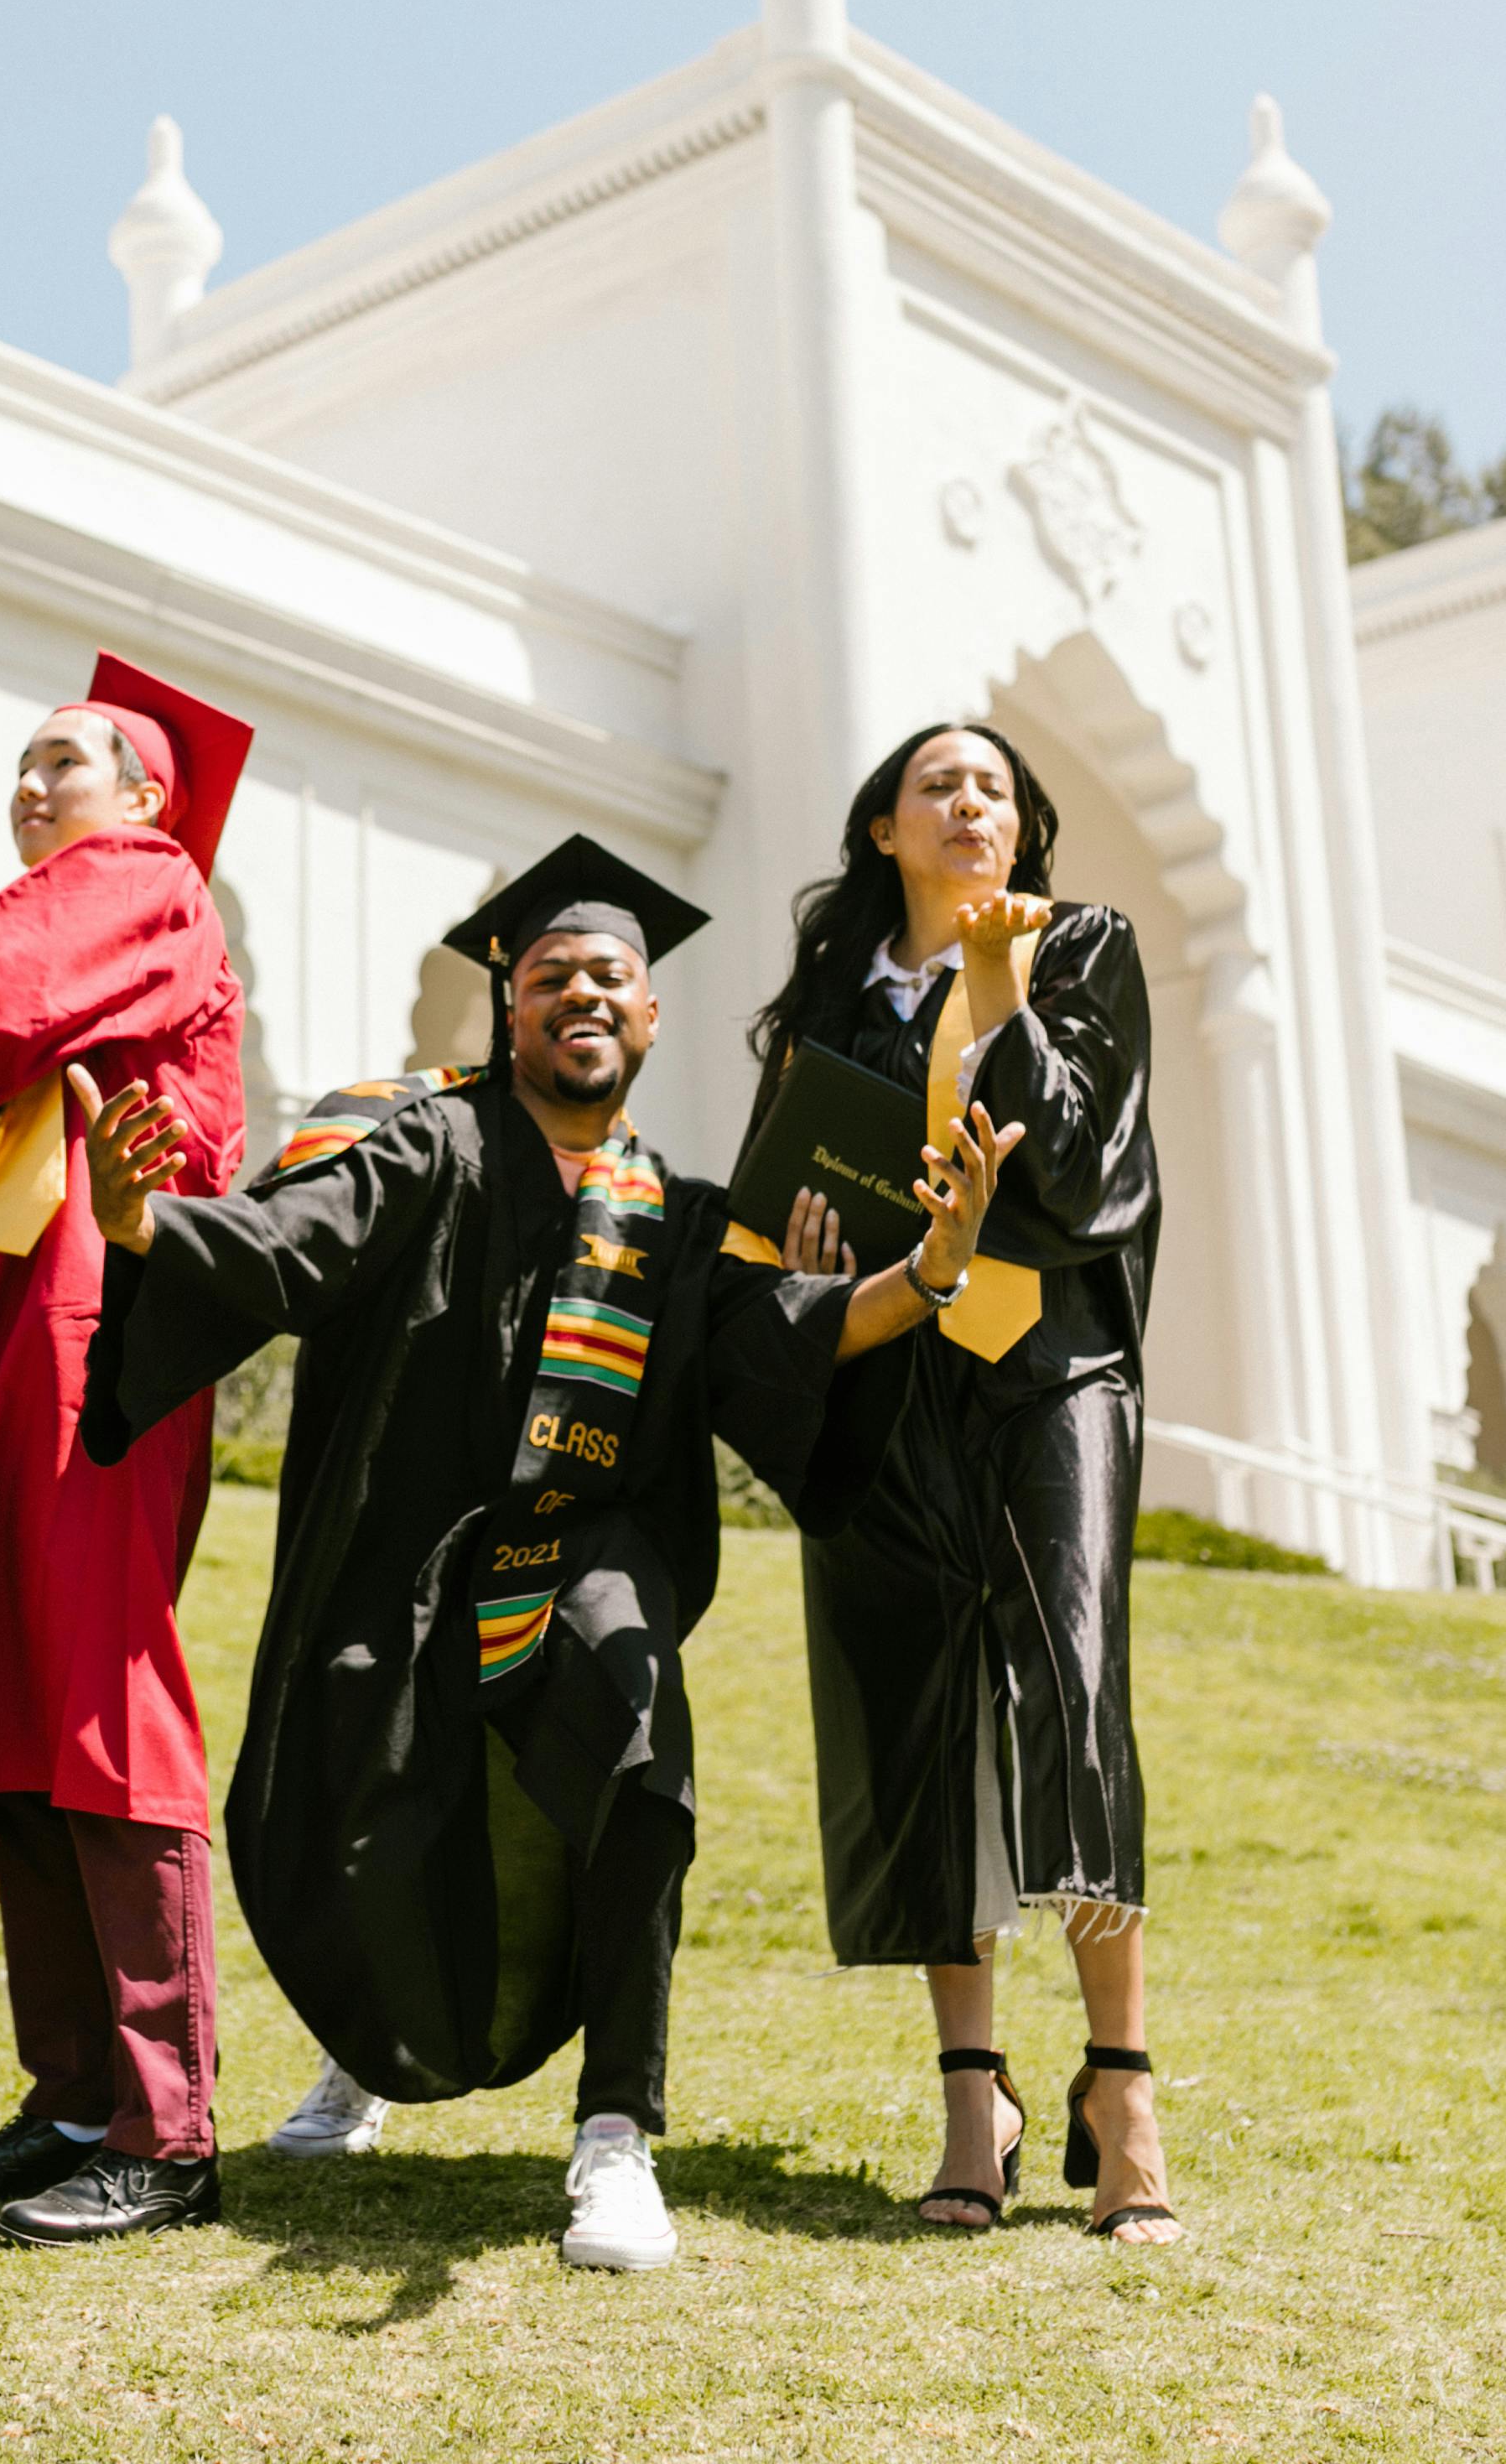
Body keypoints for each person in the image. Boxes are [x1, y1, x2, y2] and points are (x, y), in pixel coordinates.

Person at [75, 837, 1010, 2271]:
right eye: (550, 975)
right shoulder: (422, 1143)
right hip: (405, 1556)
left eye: (609, 978)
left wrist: (929, 1269)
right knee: (361, 1807)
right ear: (507, 1009)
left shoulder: (680, 1219)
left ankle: (617, 2133)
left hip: (585, 1554)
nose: (581, 994)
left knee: (642, 1728)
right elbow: (287, 1244)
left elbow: (785, 1341)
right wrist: (145, 1225)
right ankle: (370, 2058)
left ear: (650, 1017)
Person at [743, 720, 1181, 2243]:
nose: (969, 802)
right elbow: (786, 1211)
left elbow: (1088, 1176)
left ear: (1024, 826)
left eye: (993, 786)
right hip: (897, 1371)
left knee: (1074, 1681)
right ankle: (971, 2092)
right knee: (929, 1709)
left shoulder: (1082, 951)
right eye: (938, 784)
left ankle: (1119, 2081)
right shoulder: (835, 1009)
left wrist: (998, 990)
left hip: (1053, 1371)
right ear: (884, 831)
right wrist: (806, 1268)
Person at [0, 657, 253, 2248]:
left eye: (64, 761)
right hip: (3, 1332)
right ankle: (74, 2097)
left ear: (147, 799)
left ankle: (166, 2127)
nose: (34, 786)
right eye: (21, 764)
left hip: (96, 1320)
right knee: (18, 1695)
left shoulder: (148, 884)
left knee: (96, 1695)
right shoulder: (87, 904)